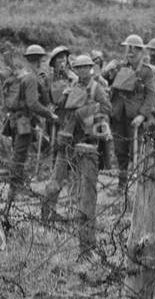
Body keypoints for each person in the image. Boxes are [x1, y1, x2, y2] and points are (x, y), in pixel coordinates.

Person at [40, 54, 111, 239]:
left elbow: (107, 108)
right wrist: (61, 103)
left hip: (87, 140)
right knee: (56, 179)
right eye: (78, 68)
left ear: (91, 68)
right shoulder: (70, 87)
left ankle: (80, 218)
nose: (82, 71)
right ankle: (46, 216)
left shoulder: (97, 88)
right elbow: (60, 111)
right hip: (67, 138)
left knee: (84, 182)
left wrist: (85, 111)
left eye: (85, 67)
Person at [102, 33, 155, 194]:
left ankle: (141, 187)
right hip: (118, 115)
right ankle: (122, 185)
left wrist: (142, 115)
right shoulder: (118, 67)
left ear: (141, 52)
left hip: (135, 118)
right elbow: (105, 82)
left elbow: (152, 95)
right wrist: (107, 71)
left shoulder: (147, 72)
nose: (131, 52)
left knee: (138, 152)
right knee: (120, 151)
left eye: (135, 49)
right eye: (128, 48)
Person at [3, 44, 53, 209]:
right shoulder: (31, 77)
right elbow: (33, 103)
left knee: (17, 154)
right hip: (24, 121)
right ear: (40, 60)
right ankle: (15, 188)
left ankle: (16, 186)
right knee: (20, 156)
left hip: (15, 120)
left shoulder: (20, 75)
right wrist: (48, 114)